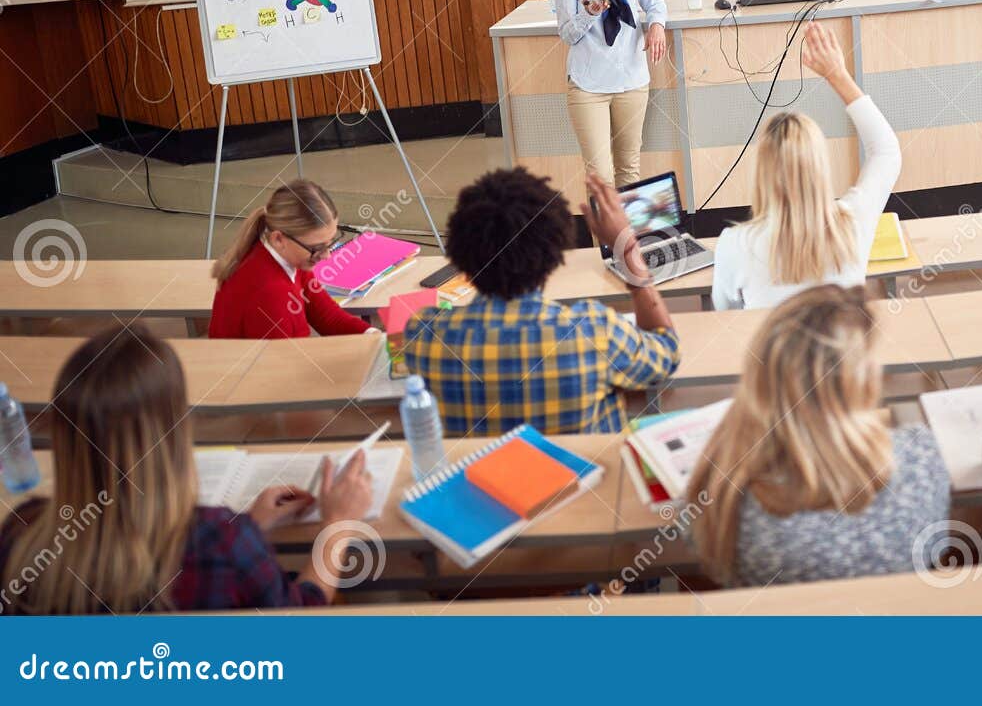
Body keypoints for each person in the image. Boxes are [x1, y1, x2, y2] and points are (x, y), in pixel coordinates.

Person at [0, 322, 372, 614]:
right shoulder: (225, 544)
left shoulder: (19, 537)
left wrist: (252, 526)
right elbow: (299, 619)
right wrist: (337, 527)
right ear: (172, 433)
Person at [688, 286, 949, 587]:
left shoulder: (721, 490)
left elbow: (697, 541)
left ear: (762, 374)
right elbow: (936, 553)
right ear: (862, 380)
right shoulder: (922, 460)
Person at [404, 168, 679, 436]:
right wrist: (627, 248)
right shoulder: (596, 331)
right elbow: (667, 352)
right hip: (584, 479)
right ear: (556, 252)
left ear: (458, 254)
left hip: (479, 481)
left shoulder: (423, 336)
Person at [711, 22, 902, 310]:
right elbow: (886, 152)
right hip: (843, 355)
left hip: (774, 357)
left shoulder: (734, 245)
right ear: (819, 167)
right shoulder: (852, 224)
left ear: (762, 173)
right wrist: (838, 76)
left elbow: (726, 318)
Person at [552, 0, 668, 187]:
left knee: (629, 172)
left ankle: (629, 235)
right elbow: (567, 34)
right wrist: (589, 15)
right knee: (601, 178)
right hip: (589, 86)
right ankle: (605, 235)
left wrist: (656, 26)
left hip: (631, 81)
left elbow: (656, 4)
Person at [210, 179, 373, 340]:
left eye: (330, 243)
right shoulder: (272, 295)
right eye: (317, 248)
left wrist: (374, 335)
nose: (326, 256)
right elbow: (286, 363)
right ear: (279, 239)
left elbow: (327, 317)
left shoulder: (291, 257)